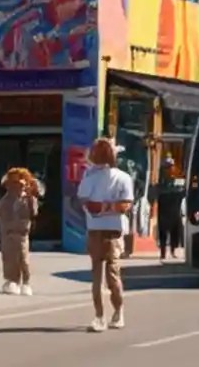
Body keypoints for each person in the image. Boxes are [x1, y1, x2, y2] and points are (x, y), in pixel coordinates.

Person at [77, 138, 134, 333]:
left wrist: (100, 208)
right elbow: (121, 205)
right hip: (99, 229)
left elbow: (124, 205)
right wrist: (109, 207)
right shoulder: (91, 177)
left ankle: (113, 312)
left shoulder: (121, 177)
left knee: (110, 274)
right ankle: (103, 315)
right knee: (100, 276)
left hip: (111, 231)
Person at [0, 167, 39, 296]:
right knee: (9, 258)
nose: (18, 187)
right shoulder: (5, 200)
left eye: (21, 184)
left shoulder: (28, 199)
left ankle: (25, 281)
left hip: (22, 234)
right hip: (8, 233)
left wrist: (32, 196)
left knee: (23, 258)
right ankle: (11, 280)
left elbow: (34, 212)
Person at [156, 155, 184, 261]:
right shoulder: (160, 179)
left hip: (174, 207)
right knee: (163, 231)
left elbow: (182, 190)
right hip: (164, 208)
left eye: (170, 166)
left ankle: (173, 251)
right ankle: (163, 252)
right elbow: (158, 190)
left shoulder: (177, 176)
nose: (168, 169)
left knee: (174, 232)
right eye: (166, 167)